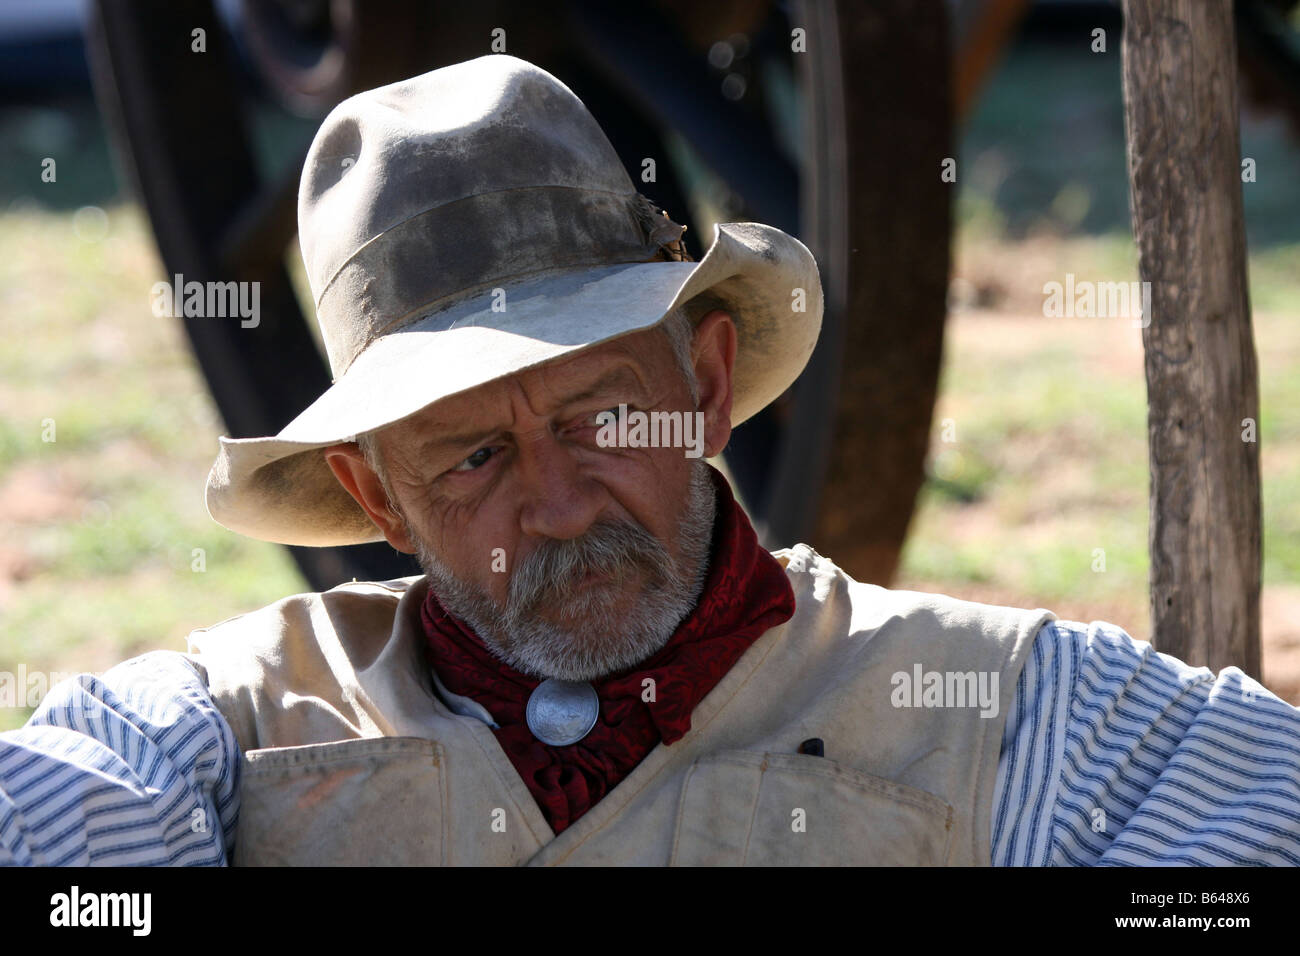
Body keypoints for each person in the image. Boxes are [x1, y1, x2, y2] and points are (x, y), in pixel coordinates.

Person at [3, 55, 1298, 866]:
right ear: (371, 496)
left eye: (603, 419)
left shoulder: (993, 709)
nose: (558, 507)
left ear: (709, 387)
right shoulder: (237, 724)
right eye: (470, 460)